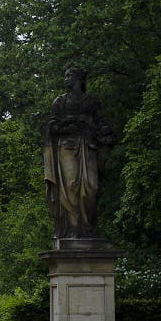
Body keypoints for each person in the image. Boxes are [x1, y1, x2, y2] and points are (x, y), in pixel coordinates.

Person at [44, 66, 113, 238]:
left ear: (79, 79)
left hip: (88, 146)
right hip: (66, 147)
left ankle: (87, 228)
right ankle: (73, 228)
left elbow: (101, 124)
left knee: (91, 187)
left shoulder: (91, 102)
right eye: (65, 75)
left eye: (69, 76)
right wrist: (67, 127)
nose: (65, 79)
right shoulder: (59, 102)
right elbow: (51, 126)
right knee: (70, 187)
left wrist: (105, 134)